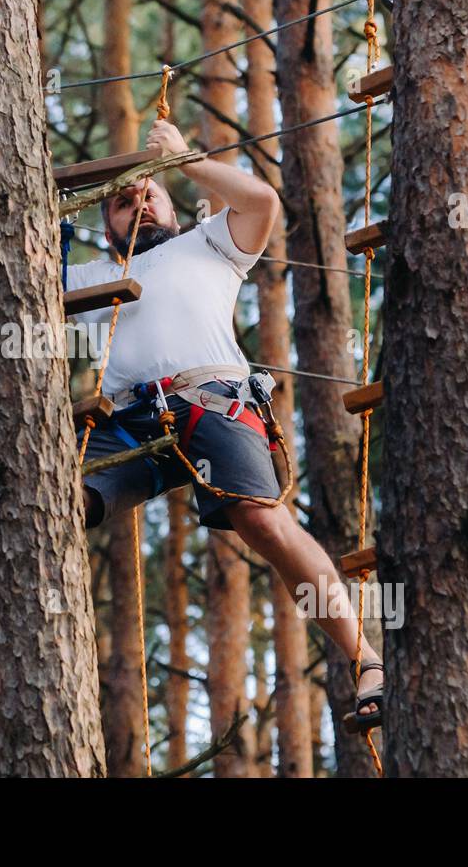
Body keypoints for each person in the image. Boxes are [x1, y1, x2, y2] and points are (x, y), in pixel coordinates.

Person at [66, 117, 384, 724]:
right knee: (60, 501)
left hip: (210, 399)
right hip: (132, 421)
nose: (137, 206)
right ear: (105, 225)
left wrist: (183, 160)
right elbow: (15, 278)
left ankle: (365, 658)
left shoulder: (210, 243)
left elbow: (262, 200)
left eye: (147, 194)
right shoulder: (87, 281)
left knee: (263, 525)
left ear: (171, 201)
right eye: (122, 203)